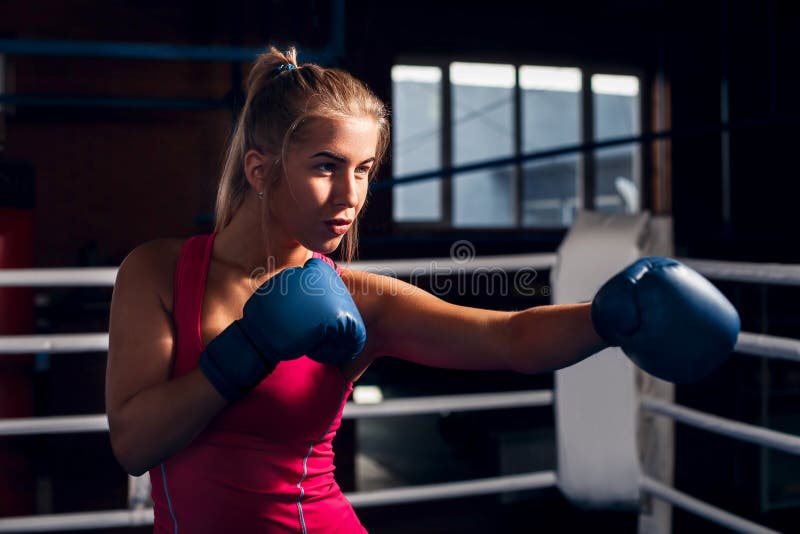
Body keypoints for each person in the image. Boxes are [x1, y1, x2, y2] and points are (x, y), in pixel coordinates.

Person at [104, 47, 740, 533]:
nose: (351, 198)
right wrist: (251, 346)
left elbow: (507, 337)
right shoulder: (157, 273)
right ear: (260, 169)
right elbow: (134, 444)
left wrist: (608, 317)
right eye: (326, 166)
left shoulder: (360, 298)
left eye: (364, 170)